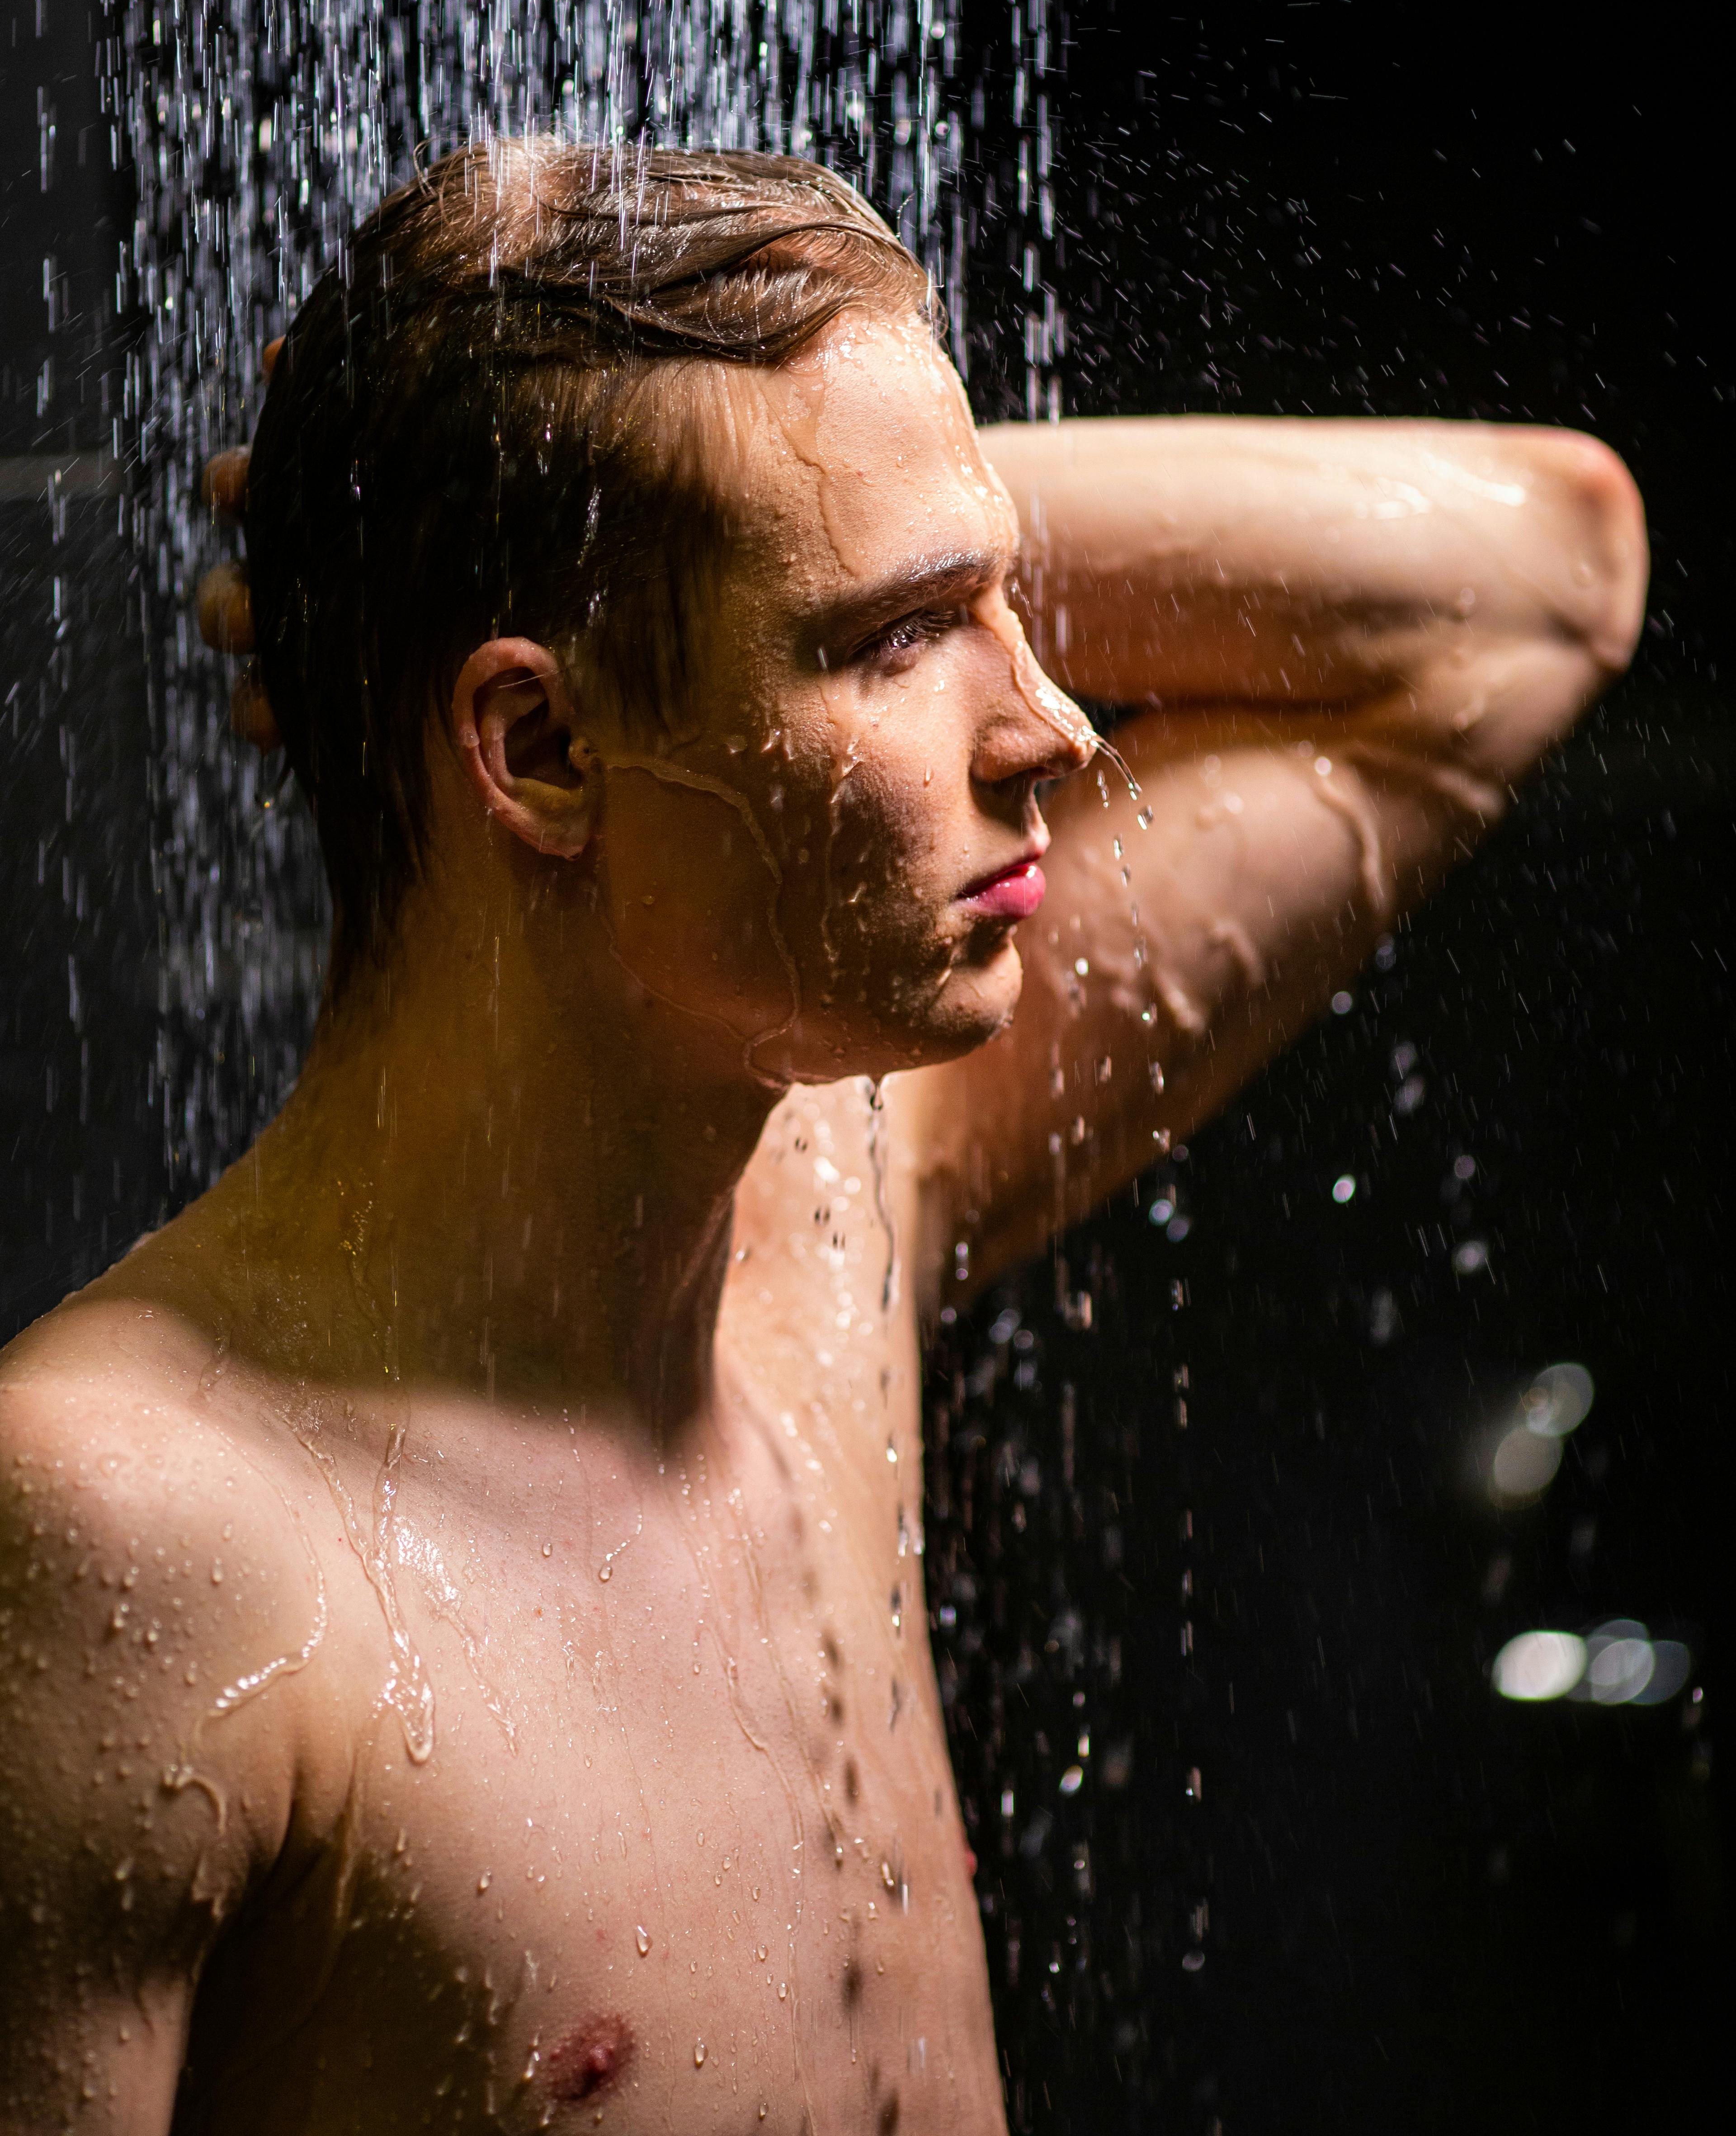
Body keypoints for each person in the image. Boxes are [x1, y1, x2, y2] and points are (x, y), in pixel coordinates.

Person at [0, 142, 1646, 2132]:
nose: (1054, 726)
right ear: (539, 748)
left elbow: (1540, 577)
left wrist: (524, 509)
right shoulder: (129, 1534)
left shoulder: (822, 1227)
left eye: (1008, 601)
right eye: (897, 637)